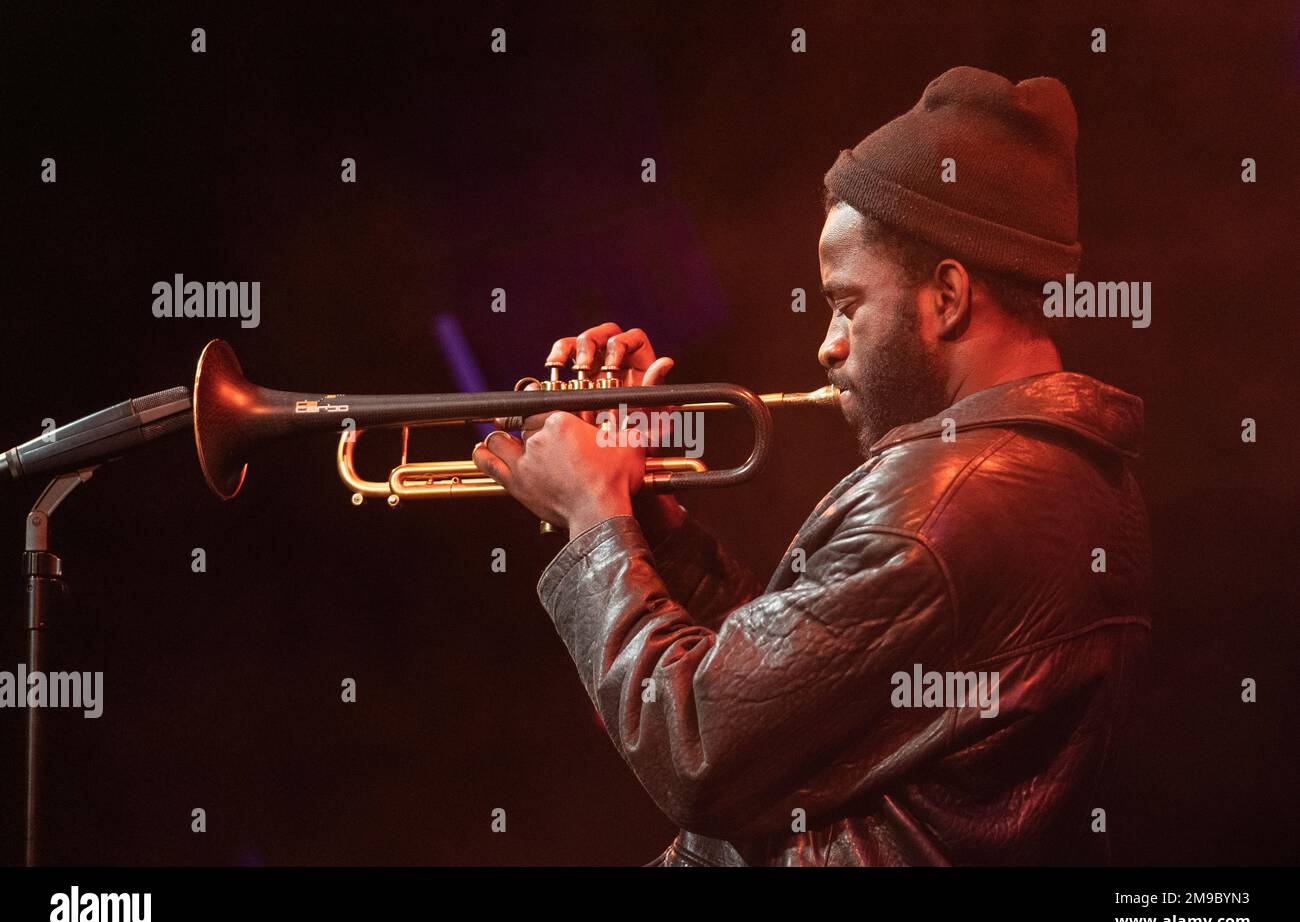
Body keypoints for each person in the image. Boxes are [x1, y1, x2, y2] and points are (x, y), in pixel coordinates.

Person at [471, 66, 1152, 866]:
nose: (826, 343)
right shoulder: (1063, 472)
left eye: (846, 302)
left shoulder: (945, 499)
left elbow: (699, 749)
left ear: (947, 296)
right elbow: (795, 693)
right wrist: (646, 511)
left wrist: (594, 521)